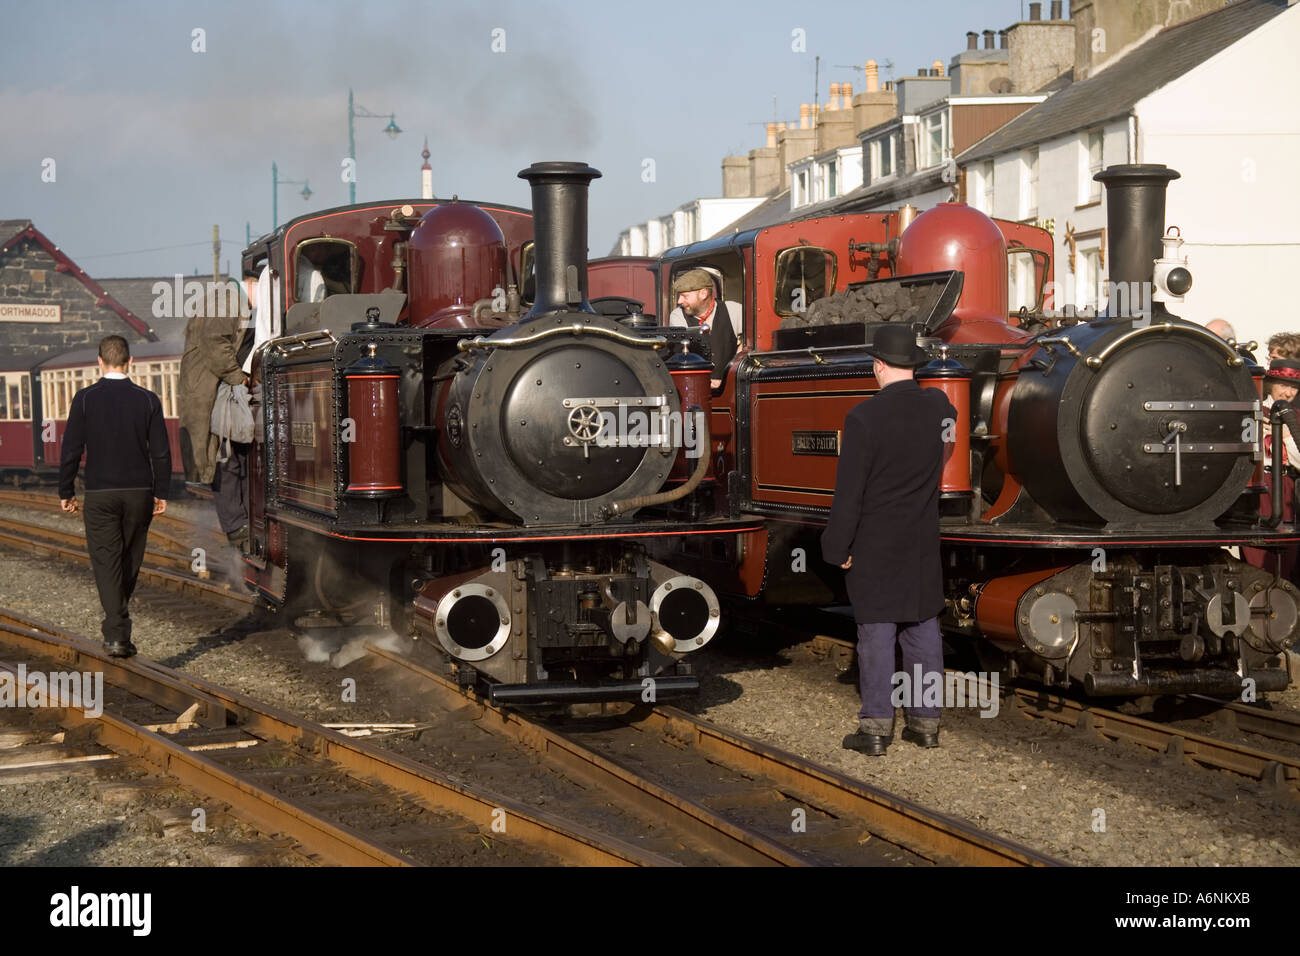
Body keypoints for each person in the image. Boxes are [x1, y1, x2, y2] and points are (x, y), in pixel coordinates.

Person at [820, 324, 955, 755]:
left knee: (877, 632)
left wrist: (836, 546)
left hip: (875, 542)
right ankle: (926, 724)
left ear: (878, 366)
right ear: (914, 366)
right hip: (920, 540)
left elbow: (849, 493)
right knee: (923, 627)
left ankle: (876, 729)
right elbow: (948, 436)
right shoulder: (939, 406)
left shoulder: (863, 418)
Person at [59, 336, 170, 658]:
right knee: (130, 561)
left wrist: (66, 490)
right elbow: (161, 453)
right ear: (130, 361)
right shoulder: (148, 400)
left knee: (107, 563)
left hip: (100, 494)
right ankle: (119, 630)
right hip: (139, 493)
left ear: (99, 361)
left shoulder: (84, 399)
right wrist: (161, 491)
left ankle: (116, 634)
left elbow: (71, 450)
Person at [1243, 357, 1300, 583]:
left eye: (1293, 387)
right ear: (1269, 384)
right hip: (1258, 484)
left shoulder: (1296, 417)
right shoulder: (1252, 410)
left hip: (1285, 486)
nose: (1288, 393)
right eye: (1283, 385)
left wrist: (1285, 436)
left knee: (1287, 553)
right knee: (1257, 551)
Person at [667, 268, 742, 387]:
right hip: (696, 386)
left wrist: (730, 375)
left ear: (703, 294)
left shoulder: (734, 310)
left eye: (684, 296)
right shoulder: (677, 316)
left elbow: (748, 343)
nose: (679, 301)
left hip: (731, 389)